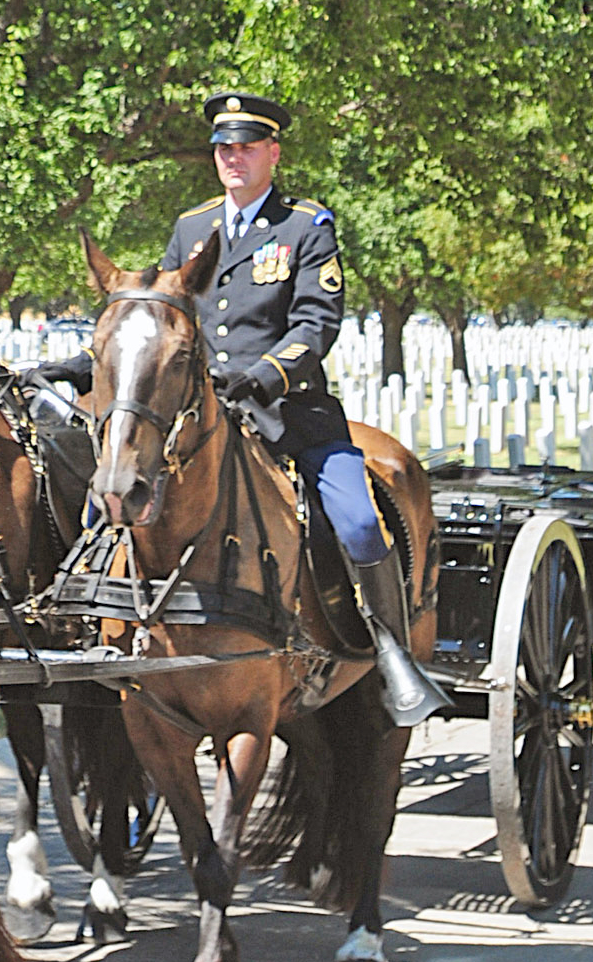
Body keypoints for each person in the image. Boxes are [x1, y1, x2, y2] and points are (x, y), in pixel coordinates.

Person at [40, 91, 447, 727]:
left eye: (247, 146)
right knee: (104, 505)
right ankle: (100, 631)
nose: (234, 157)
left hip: (287, 413)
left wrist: (264, 376)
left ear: (273, 154)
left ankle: (393, 654)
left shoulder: (305, 226)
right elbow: (162, 319)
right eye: (224, 147)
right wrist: (76, 367)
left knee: (360, 522)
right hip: (199, 418)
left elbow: (316, 322)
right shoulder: (190, 227)